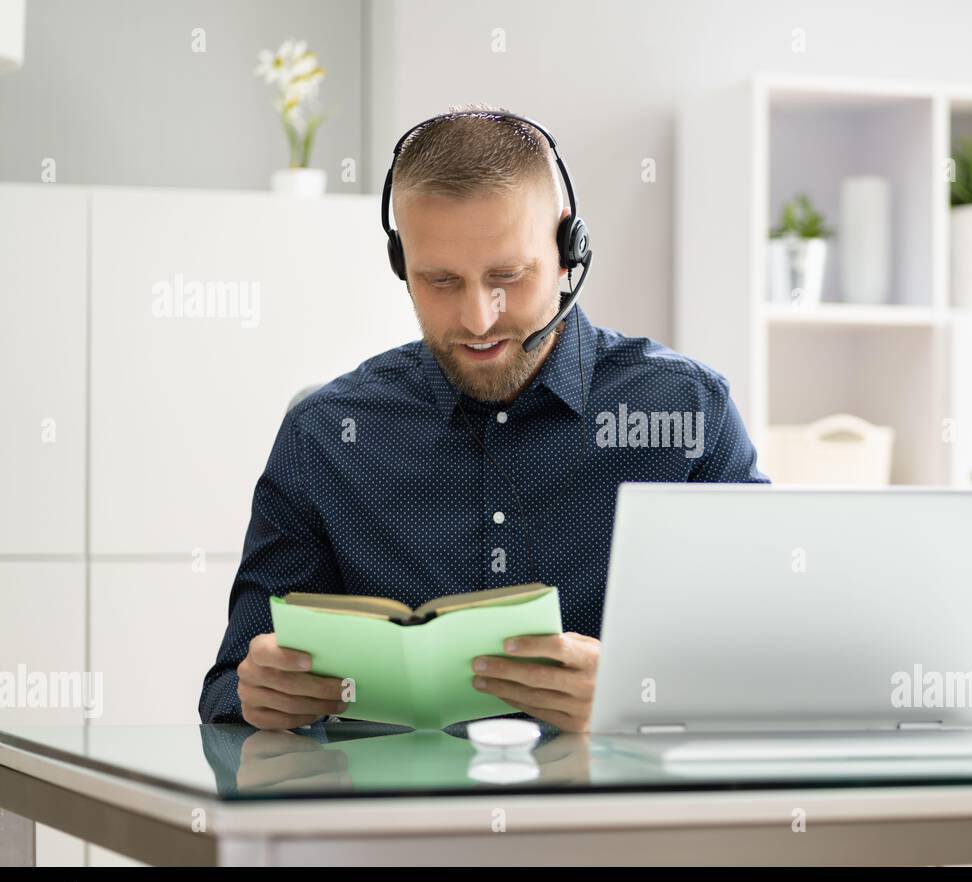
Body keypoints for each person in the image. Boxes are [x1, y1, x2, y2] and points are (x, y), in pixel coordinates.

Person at [199, 104, 767, 733]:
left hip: (619, 826)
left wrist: (640, 693)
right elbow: (230, 686)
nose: (476, 318)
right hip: (393, 825)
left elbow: (779, 666)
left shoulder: (688, 414)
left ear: (567, 249)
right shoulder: (324, 436)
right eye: (440, 281)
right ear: (401, 265)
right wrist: (261, 695)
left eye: (507, 276)